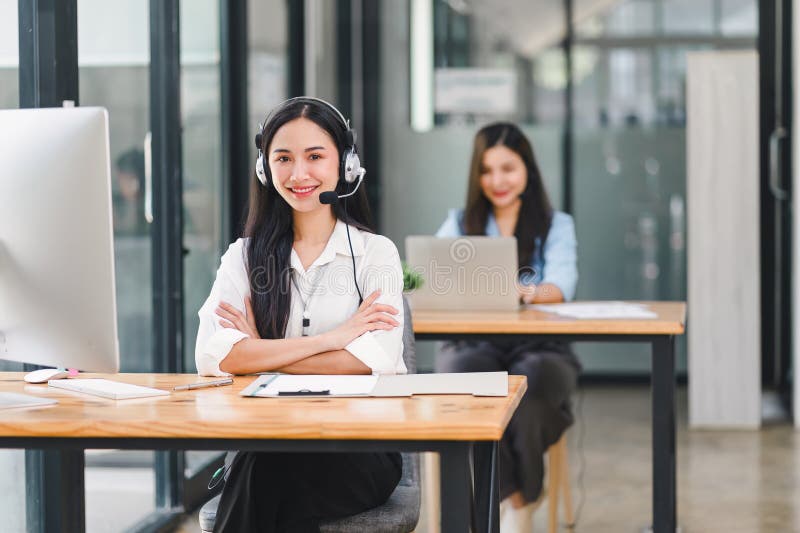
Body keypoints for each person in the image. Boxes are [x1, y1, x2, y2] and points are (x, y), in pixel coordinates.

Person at [194, 97, 406, 532]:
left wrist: (262, 355)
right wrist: (333, 339)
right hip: (271, 437)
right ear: (264, 169)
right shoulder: (243, 257)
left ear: (345, 165)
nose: (299, 174)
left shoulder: (375, 254)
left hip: (359, 448)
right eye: (283, 158)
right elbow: (213, 357)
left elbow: (372, 362)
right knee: (272, 467)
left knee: (266, 471)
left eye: (315, 156)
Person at [435, 122, 580, 532]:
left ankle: (515, 502)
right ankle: (518, 500)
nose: (496, 181)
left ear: (528, 170)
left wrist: (514, 288)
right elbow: (433, 275)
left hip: (541, 347)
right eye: (486, 170)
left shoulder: (556, 224)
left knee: (530, 384)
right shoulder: (460, 222)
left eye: (508, 168)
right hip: (474, 343)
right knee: (470, 379)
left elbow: (560, 287)